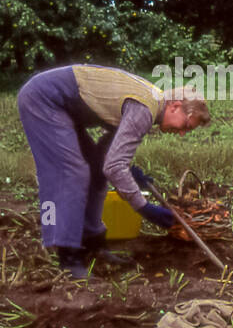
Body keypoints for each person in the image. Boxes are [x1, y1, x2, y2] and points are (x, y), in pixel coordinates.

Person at [17, 65, 210, 278]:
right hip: (43, 99)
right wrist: (144, 208)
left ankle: (93, 244)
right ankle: (68, 256)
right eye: (186, 126)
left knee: (97, 171)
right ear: (175, 107)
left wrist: (132, 176)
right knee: (71, 172)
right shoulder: (144, 109)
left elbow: (108, 158)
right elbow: (114, 166)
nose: (182, 133)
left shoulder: (151, 102)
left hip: (62, 106)